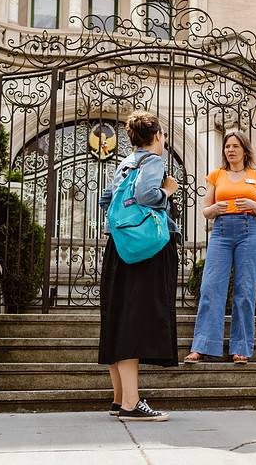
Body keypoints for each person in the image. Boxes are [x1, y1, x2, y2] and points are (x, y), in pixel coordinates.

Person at [98, 111, 180, 422]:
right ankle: (131, 405)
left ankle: (120, 398)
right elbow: (147, 194)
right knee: (134, 320)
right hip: (145, 251)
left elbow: (106, 199)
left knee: (118, 317)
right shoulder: (153, 160)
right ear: (157, 136)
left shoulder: (125, 162)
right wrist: (168, 191)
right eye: (163, 135)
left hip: (119, 247)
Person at [184, 131, 256, 365]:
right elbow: (205, 210)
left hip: (249, 232)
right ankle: (202, 345)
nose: (230, 150)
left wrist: (253, 204)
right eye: (227, 146)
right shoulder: (216, 175)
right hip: (221, 233)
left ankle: (241, 347)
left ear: (245, 150)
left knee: (245, 290)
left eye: (235, 146)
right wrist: (215, 209)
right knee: (210, 288)